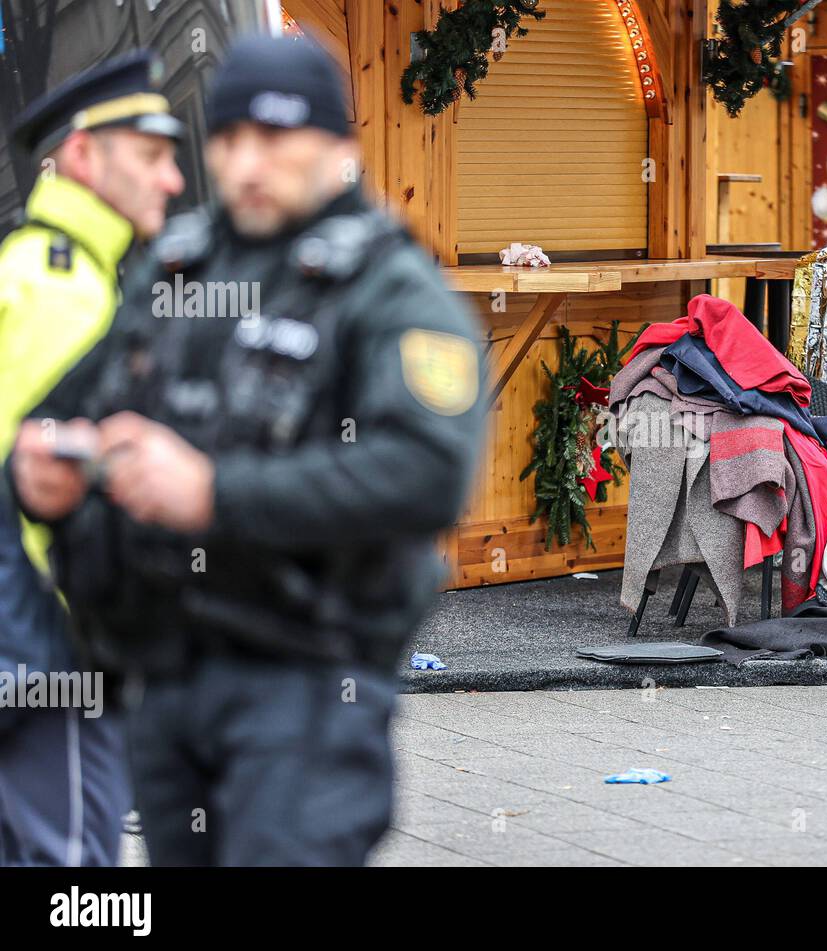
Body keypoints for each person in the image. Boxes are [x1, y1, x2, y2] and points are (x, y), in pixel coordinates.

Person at [7, 34, 486, 866]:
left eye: (274, 138)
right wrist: (42, 475)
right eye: (228, 140)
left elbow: (426, 472)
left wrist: (214, 495)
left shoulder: (389, 286)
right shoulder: (180, 267)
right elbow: (62, 414)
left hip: (304, 689)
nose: (245, 163)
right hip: (168, 678)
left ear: (337, 147)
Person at [0, 51, 185, 867]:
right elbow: (46, 498)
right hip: (56, 653)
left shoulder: (32, 270)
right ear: (82, 155)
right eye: (150, 154)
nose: (173, 179)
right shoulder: (68, 296)